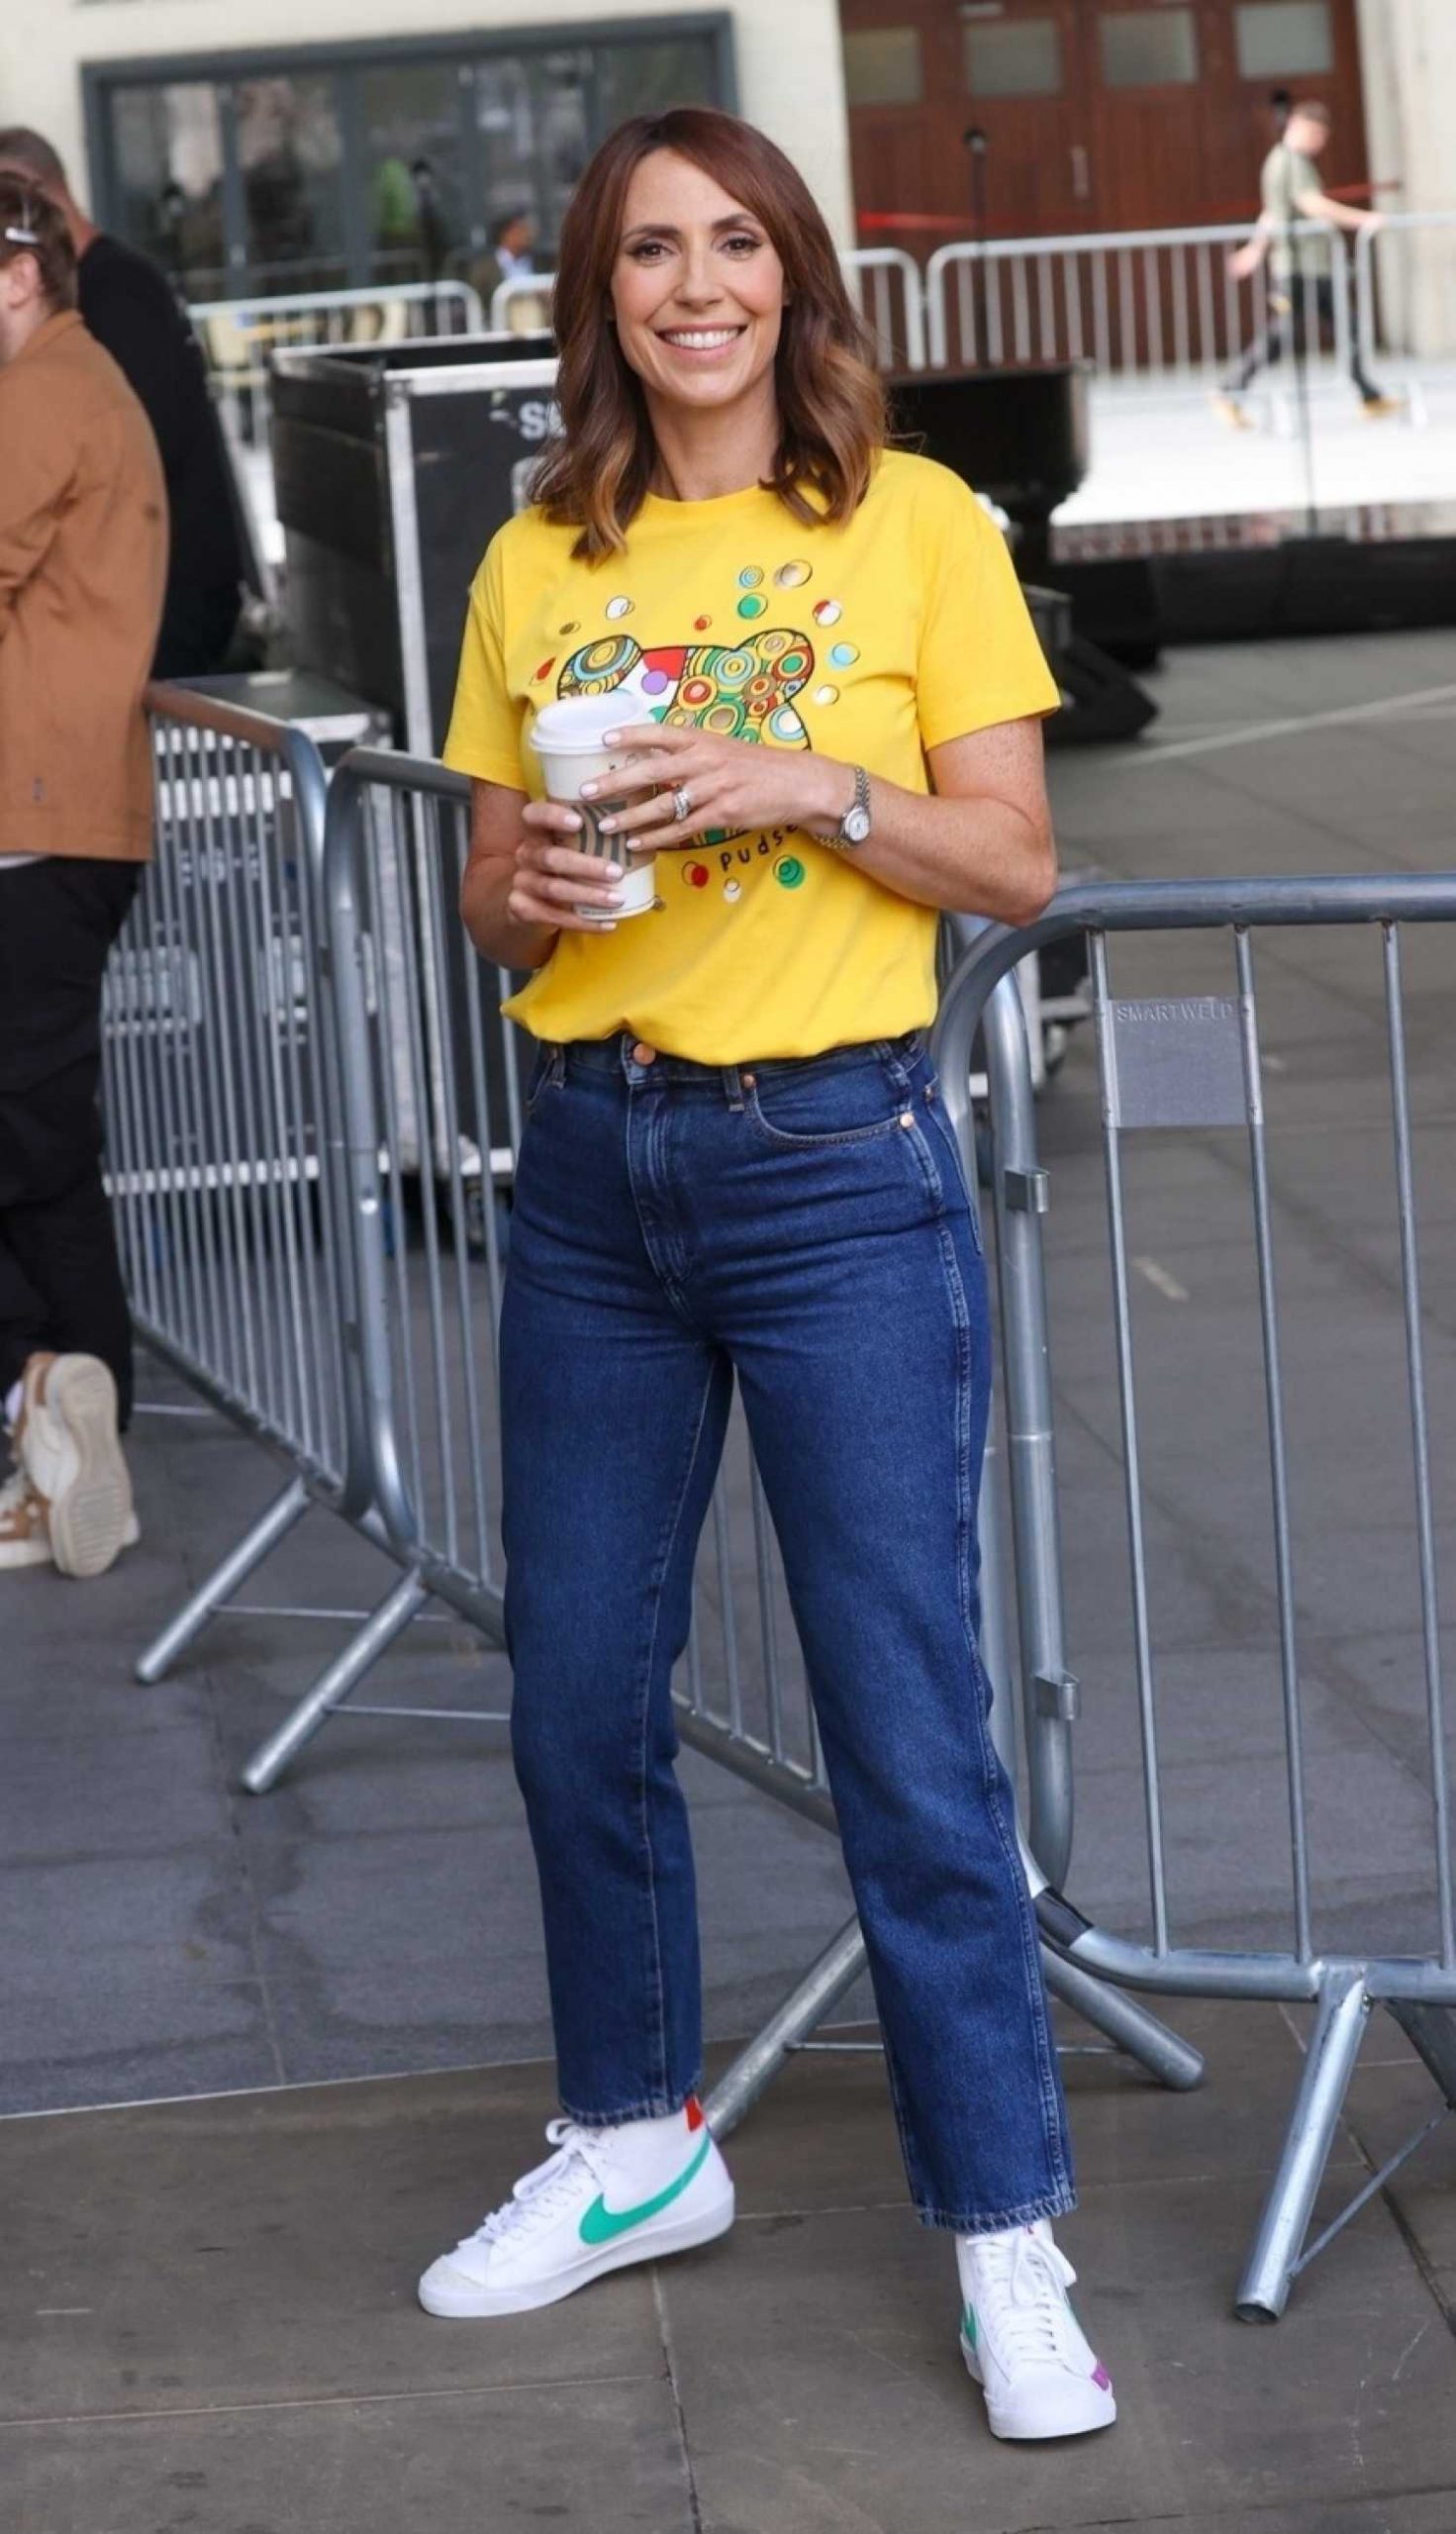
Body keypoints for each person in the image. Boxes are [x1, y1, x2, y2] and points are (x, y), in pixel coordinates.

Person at [427, 106, 1117, 2446]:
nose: (694, 284)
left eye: (734, 244)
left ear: (793, 279)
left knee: (904, 1726)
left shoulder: (911, 524)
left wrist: (801, 788)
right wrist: (545, 885)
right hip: (594, 1170)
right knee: (575, 1694)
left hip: (833, 1159)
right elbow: (489, 892)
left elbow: (1014, 856)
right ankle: (633, 2144)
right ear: (600, 295)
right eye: (649, 251)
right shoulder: (541, 552)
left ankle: (1008, 2227)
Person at [0, 176, 166, 1576]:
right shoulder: (69, 382)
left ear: (13, 276)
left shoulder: (45, 390)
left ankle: (57, 1422)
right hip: (49, 818)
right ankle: (55, 1430)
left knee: (36, 1148)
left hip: (35, 823)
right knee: (37, 1144)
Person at [0, 127, 244, 675]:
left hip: (164, 607)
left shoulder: (110, 307)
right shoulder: (109, 300)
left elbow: (101, 478)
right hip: (142, 608)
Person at [1215, 99, 1397, 426]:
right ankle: (1230, 389)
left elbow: (1271, 212)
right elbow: (1310, 204)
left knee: (1346, 327)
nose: (1321, 144)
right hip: (1299, 265)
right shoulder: (1289, 163)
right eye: (1318, 135)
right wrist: (1362, 219)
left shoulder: (1284, 162)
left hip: (1310, 265)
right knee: (1285, 334)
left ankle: (1370, 394)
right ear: (1300, 127)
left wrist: (1254, 251)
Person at [469, 209, 545, 331]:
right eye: (521, 230)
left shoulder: (542, 262)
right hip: (502, 332)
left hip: (539, 330)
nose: (527, 234)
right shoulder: (484, 269)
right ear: (505, 234)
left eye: (527, 229)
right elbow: (479, 303)